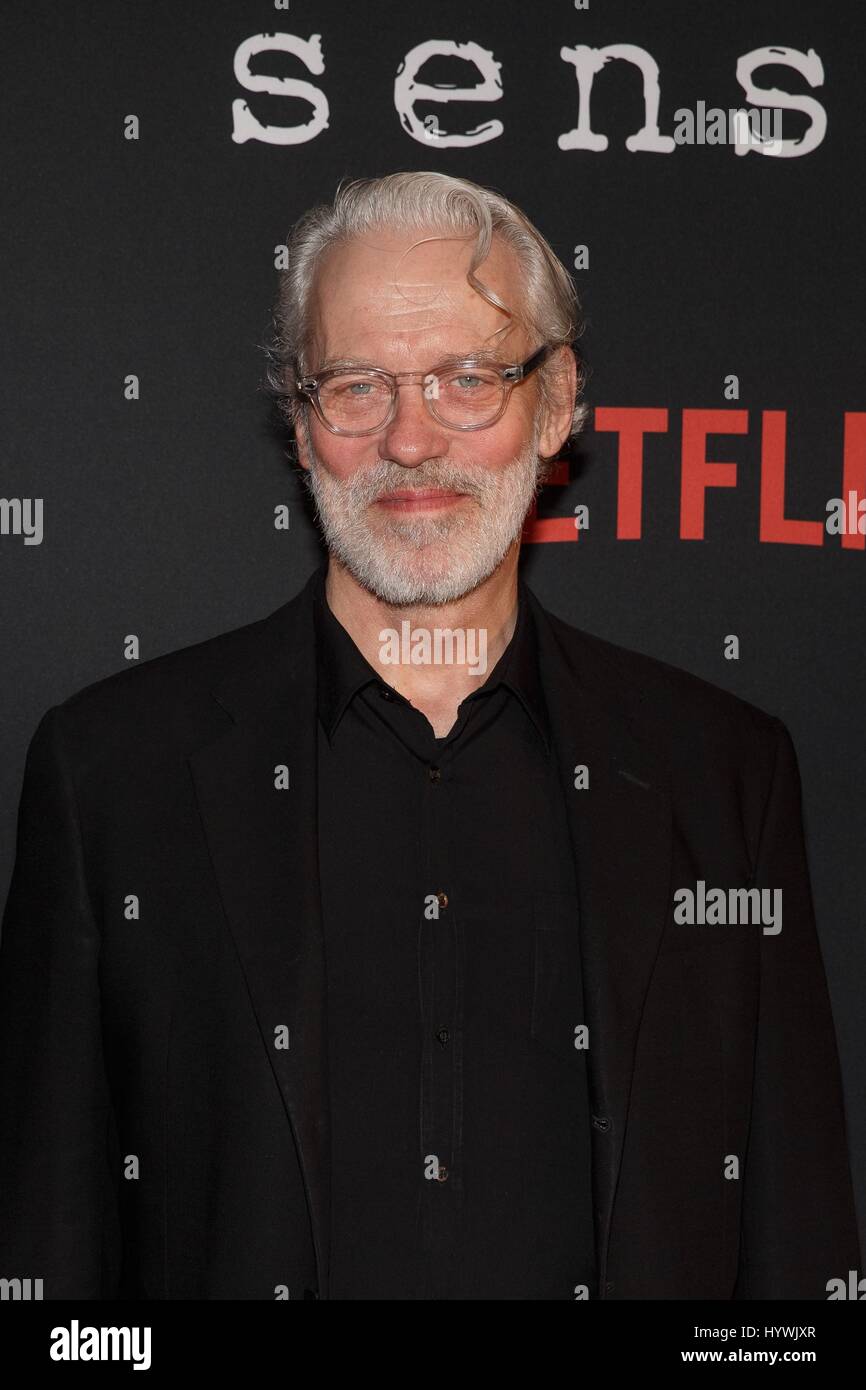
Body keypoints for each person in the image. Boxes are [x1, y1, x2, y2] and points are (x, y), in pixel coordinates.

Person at [0, 172, 858, 1300]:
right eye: (355, 385)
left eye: (466, 378)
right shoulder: (111, 773)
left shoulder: (721, 773)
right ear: (302, 428)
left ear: (554, 406)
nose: (409, 442)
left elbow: (788, 1254)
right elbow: (49, 1261)